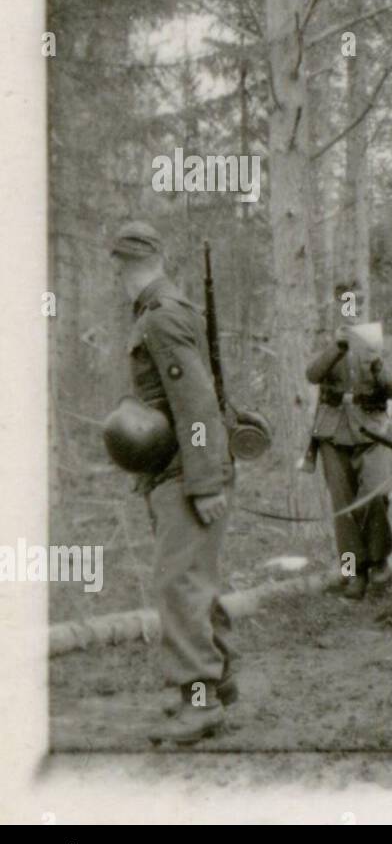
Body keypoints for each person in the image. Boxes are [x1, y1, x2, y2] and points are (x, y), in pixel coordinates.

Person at [104, 221, 236, 745]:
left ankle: (199, 702)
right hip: (175, 470)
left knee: (178, 583)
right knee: (193, 578)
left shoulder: (161, 318)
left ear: (123, 267)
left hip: (185, 472)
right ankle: (219, 685)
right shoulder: (160, 311)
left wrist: (205, 482)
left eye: (117, 268)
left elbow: (198, 404)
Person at [305, 284, 392, 600]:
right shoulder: (326, 337)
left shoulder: (376, 338)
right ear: (337, 306)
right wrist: (337, 347)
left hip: (370, 429)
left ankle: (379, 559)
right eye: (345, 303)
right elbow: (312, 374)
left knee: (375, 494)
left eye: (357, 303)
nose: (352, 309)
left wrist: (378, 364)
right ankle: (352, 573)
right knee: (342, 507)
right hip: (333, 430)